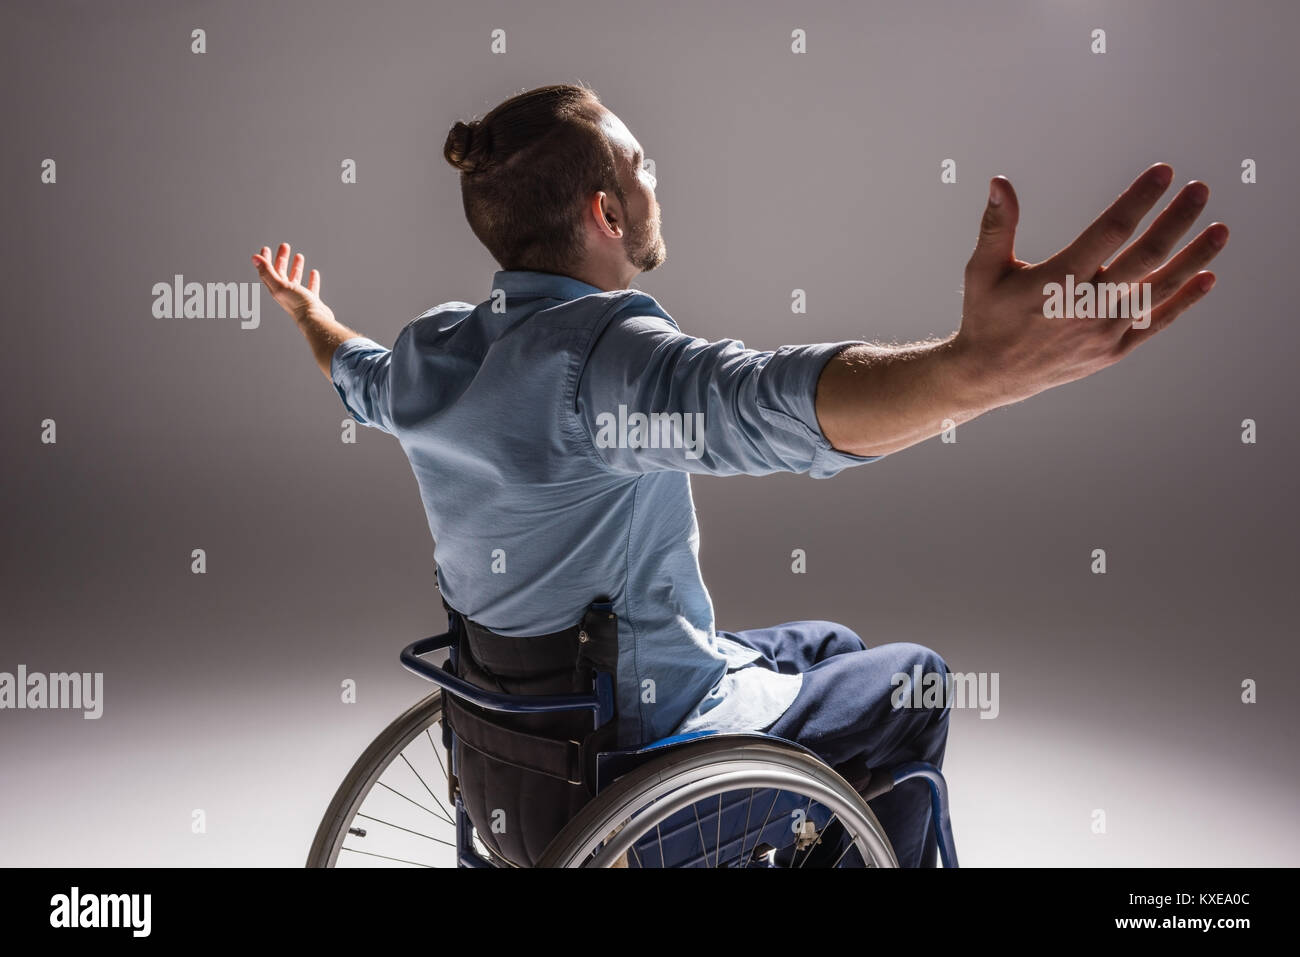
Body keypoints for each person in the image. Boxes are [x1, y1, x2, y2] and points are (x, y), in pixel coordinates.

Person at [252, 82, 1227, 867]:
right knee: (915, 682)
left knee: (831, 641)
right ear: (605, 210)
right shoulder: (600, 359)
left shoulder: (432, 354)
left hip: (512, 748)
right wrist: (965, 374)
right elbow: (757, 404)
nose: (655, 179)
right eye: (641, 166)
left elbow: (356, 375)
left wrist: (307, 311)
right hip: (625, 755)